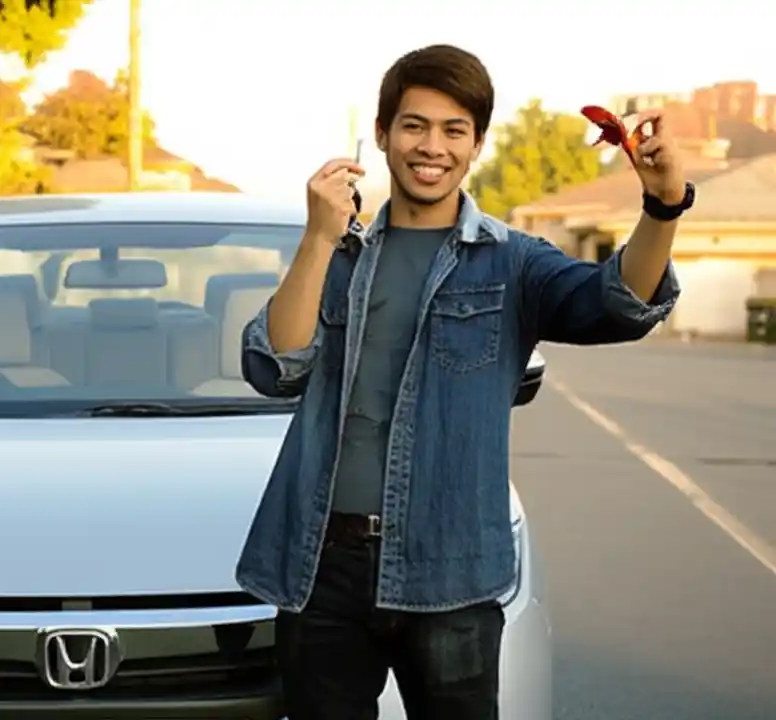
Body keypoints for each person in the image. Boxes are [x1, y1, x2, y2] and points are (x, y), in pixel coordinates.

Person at [234, 44, 689, 719]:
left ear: (475, 145)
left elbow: (619, 305)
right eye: (415, 125)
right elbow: (274, 366)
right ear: (384, 133)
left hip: (451, 568)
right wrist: (317, 239)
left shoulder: (513, 263)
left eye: (454, 130)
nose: (432, 147)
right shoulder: (342, 254)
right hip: (323, 567)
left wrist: (662, 206)